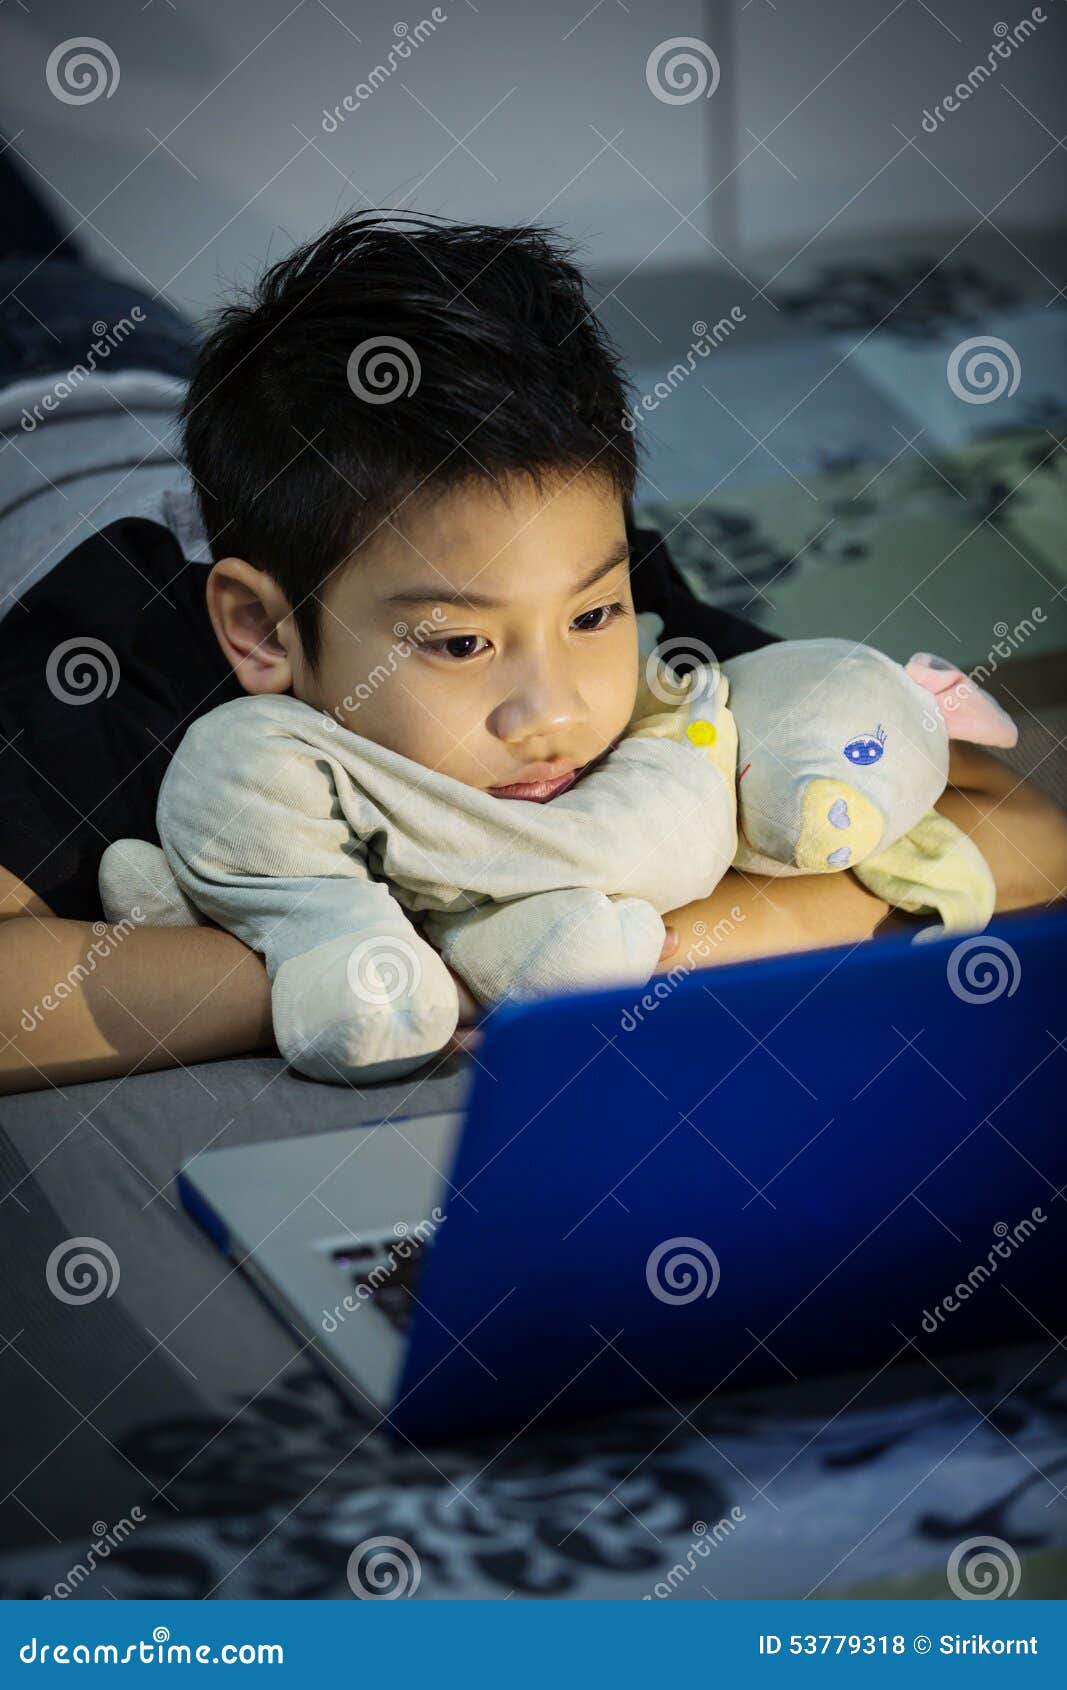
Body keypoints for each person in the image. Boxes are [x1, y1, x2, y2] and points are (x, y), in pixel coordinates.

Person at [1, 162, 1064, 1097]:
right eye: (460, 644)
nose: (554, 710)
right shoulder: (117, 656)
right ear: (259, 633)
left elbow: (1021, 831)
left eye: (591, 613)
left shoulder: (607, 614)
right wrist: (389, 961)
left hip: (148, 362)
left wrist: (640, 952)